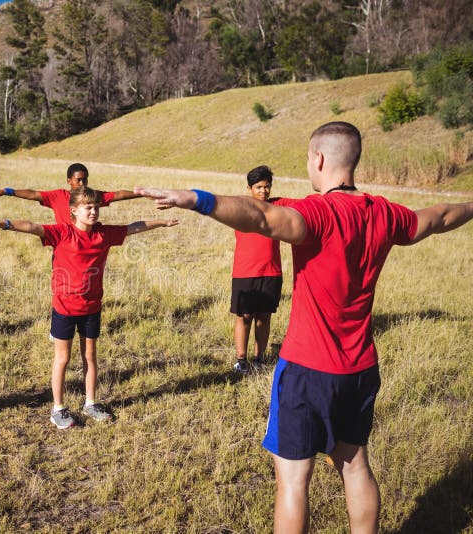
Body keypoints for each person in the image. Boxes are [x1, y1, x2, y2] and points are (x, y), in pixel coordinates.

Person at [135, 121, 473, 532]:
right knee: (354, 464)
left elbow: (260, 216)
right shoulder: (384, 212)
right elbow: (438, 217)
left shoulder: (320, 211)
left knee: (294, 479)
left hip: (307, 371)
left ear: (319, 158)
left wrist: (195, 199)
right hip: (361, 368)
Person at [0, 187, 178, 429]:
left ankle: (90, 403)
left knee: (90, 356)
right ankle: (58, 408)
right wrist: (1, 223)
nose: (94, 212)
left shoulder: (104, 234)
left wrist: (162, 222)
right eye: (88, 208)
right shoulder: (62, 233)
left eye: (96, 207)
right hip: (65, 307)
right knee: (63, 358)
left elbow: (135, 227)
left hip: (92, 306)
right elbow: (32, 226)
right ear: (74, 211)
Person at [230, 166, 296, 373]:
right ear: (249, 188)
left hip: (271, 272)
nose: (263, 191)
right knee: (244, 316)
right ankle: (241, 360)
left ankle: (259, 359)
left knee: (264, 316)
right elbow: (215, 204)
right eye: (258, 187)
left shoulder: (278, 205)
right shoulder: (241, 206)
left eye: (267, 186)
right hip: (244, 272)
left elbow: (306, 205)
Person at [0, 162, 141, 224]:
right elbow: (33, 194)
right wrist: (7, 191)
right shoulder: (58, 196)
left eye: (85, 180)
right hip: (63, 245)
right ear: (69, 180)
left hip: (86, 245)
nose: (82, 184)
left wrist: (143, 193)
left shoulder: (93, 195)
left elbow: (118, 195)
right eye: (78, 180)